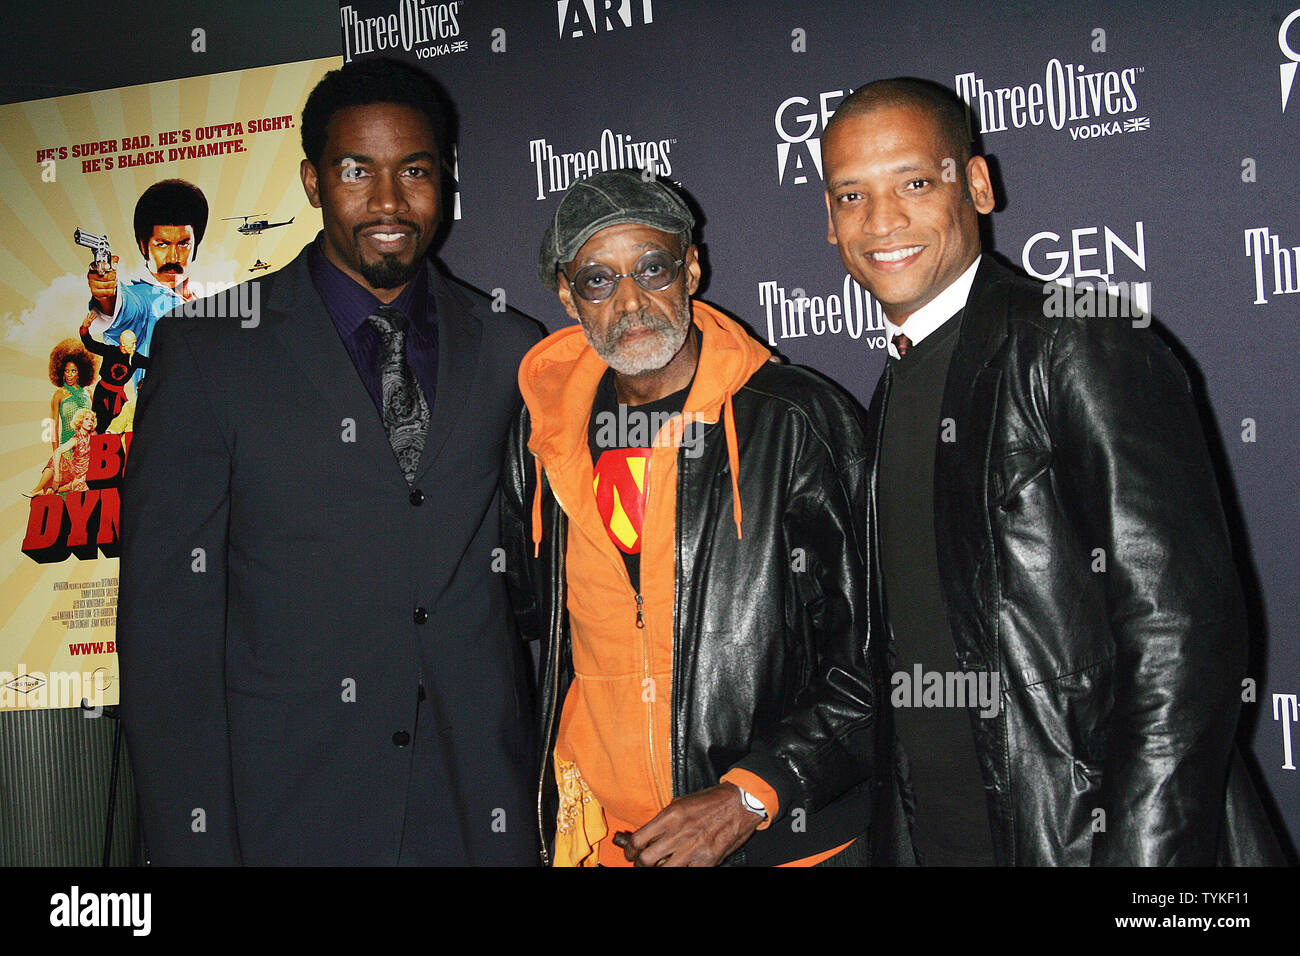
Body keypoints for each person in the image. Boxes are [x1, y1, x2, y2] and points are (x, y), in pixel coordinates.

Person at [820, 77, 1280, 865]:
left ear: (978, 185)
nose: (881, 221)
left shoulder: (1075, 341)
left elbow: (1181, 636)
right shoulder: (893, 383)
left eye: (916, 183)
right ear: (829, 221)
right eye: (851, 196)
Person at [118, 58, 542, 865]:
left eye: (415, 171)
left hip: (473, 809)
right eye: (357, 171)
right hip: (286, 817)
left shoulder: (510, 349)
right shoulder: (210, 353)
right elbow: (166, 636)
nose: (389, 202)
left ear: (446, 179)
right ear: (313, 182)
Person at [501, 169, 875, 866]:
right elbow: (536, 628)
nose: (632, 302)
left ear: (691, 268)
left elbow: (877, 650)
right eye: (598, 281)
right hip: (612, 844)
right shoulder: (542, 439)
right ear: (567, 296)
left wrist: (752, 792)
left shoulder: (797, 421)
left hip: (788, 837)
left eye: (652, 268)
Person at [86, 178, 207, 369]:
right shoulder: (142, 300)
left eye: (183, 244)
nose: (173, 257)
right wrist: (107, 296)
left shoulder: (203, 302)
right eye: (162, 244)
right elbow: (123, 310)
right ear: (144, 245)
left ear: (195, 245)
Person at [80, 315, 147, 433]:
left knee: (118, 425)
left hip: (118, 396)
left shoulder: (135, 358)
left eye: (135, 343)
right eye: (131, 344)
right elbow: (90, 344)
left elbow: (152, 363)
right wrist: (85, 328)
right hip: (102, 394)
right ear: (122, 344)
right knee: (99, 425)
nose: (134, 346)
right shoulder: (110, 351)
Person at [45, 339, 95, 446]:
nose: (69, 375)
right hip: (67, 448)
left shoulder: (88, 392)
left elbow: (94, 423)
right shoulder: (59, 394)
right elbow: (54, 427)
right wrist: (56, 453)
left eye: (73, 371)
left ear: (80, 372)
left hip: (87, 447)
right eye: (66, 371)